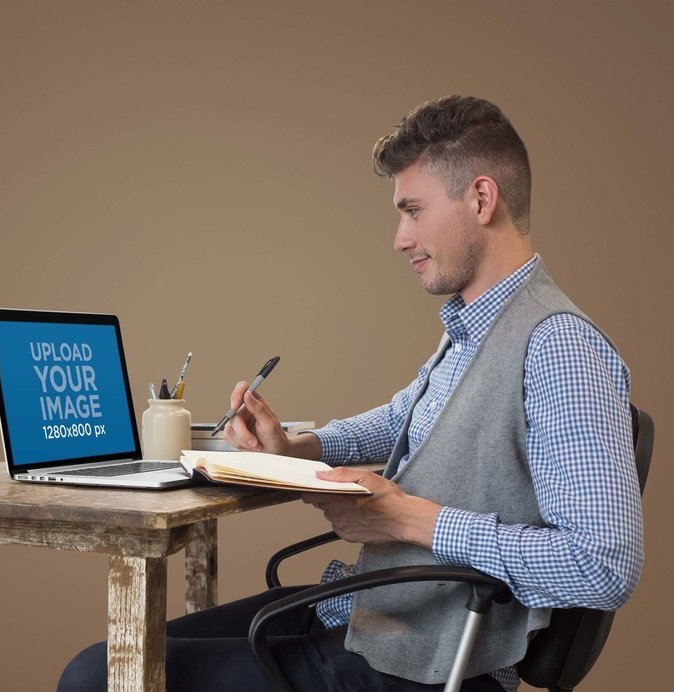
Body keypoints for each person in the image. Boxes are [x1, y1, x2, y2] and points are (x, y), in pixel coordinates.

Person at [57, 95, 644, 692]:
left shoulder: (558, 347)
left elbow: (601, 567)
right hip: (375, 618)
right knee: (111, 660)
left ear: (481, 198)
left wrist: (408, 519)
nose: (399, 238)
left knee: (93, 679)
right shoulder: (475, 327)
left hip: (430, 659)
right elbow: (403, 419)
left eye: (413, 210)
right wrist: (298, 448)